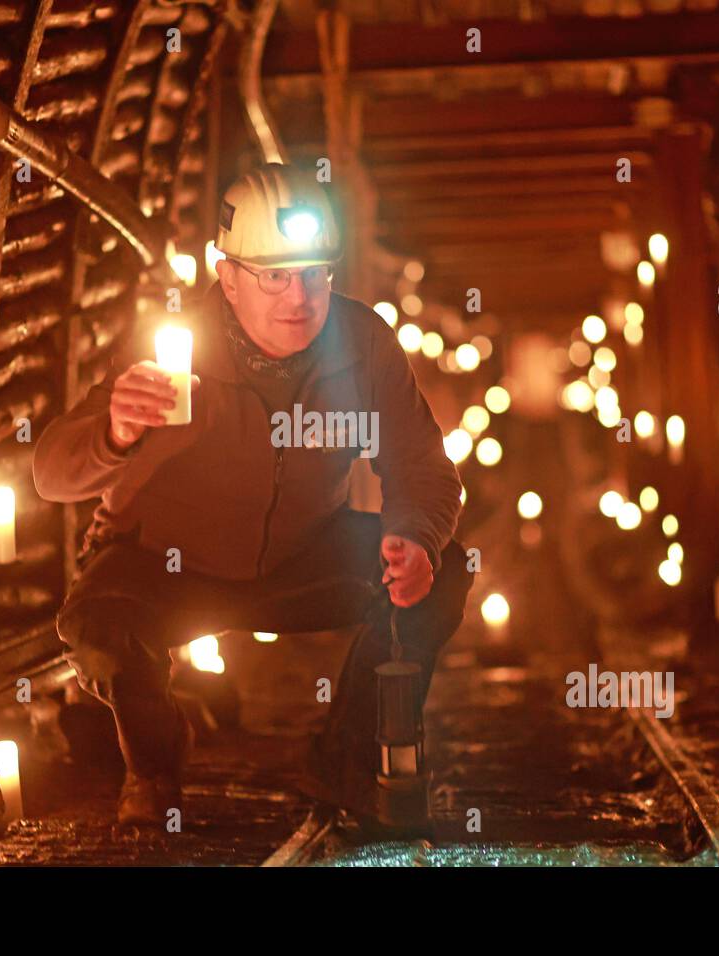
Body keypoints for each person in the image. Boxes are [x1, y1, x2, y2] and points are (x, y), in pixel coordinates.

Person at [32, 162, 471, 830]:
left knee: (444, 571)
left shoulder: (363, 344)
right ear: (227, 277)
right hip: (163, 565)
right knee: (101, 626)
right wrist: (115, 432)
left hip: (298, 558)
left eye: (314, 273)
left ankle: (347, 761)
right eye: (274, 276)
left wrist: (414, 536)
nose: (299, 296)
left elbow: (421, 464)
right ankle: (153, 769)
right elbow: (51, 474)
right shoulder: (174, 351)